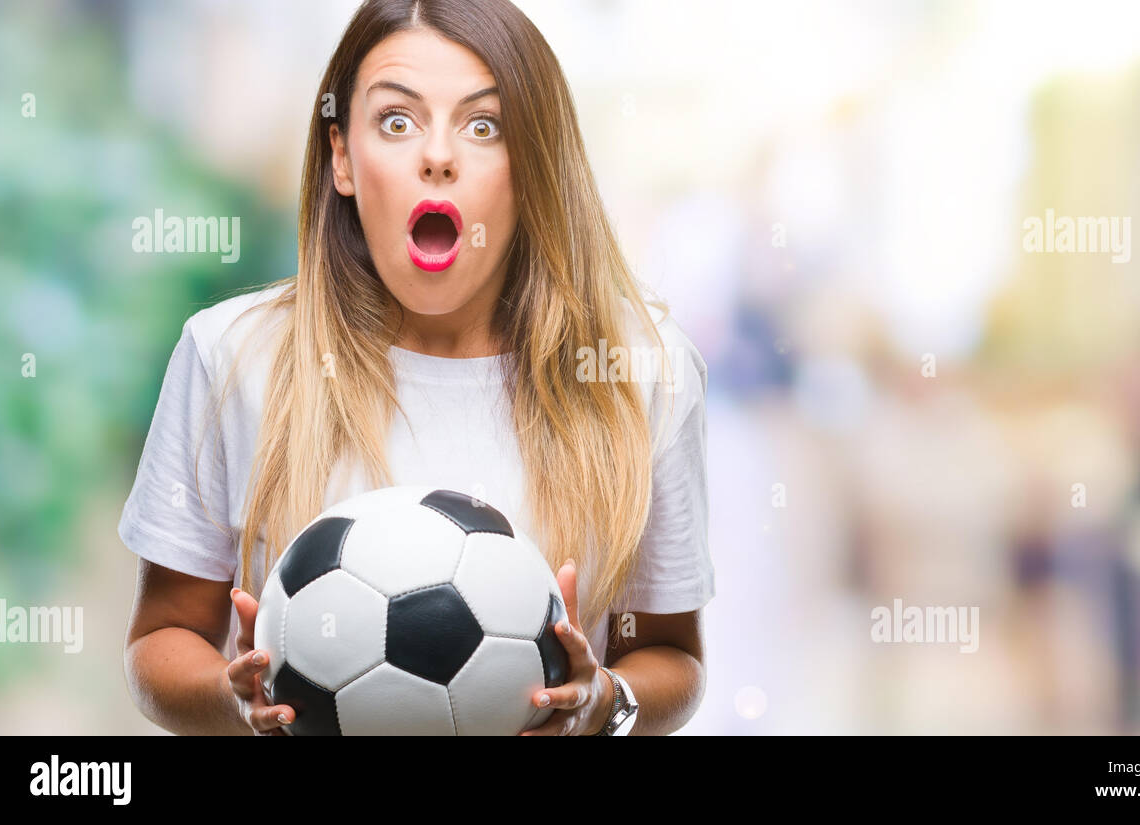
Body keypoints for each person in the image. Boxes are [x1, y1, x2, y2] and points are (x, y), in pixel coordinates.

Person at [119, 0, 713, 736]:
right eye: (396, 121)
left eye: (484, 124)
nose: (438, 156)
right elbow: (159, 640)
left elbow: (670, 655)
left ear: (533, 165)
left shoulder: (639, 371)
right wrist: (229, 697)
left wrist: (604, 705)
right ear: (341, 157)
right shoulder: (232, 357)